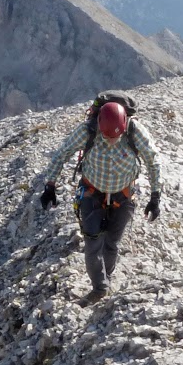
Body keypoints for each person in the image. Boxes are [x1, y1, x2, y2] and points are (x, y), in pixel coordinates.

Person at [37, 98, 162, 301]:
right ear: (99, 126)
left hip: (124, 194)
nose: (112, 140)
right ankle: (100, 288)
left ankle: (106, 278)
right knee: (93, 243)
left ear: (124, 126)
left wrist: (155, 196)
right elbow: (61, 154)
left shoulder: (133, 130)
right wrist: (50, 187)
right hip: (92, 193)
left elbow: (153, 160)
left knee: (112, 243)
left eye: (116, 136)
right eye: (106, 136)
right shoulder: (88, 131)